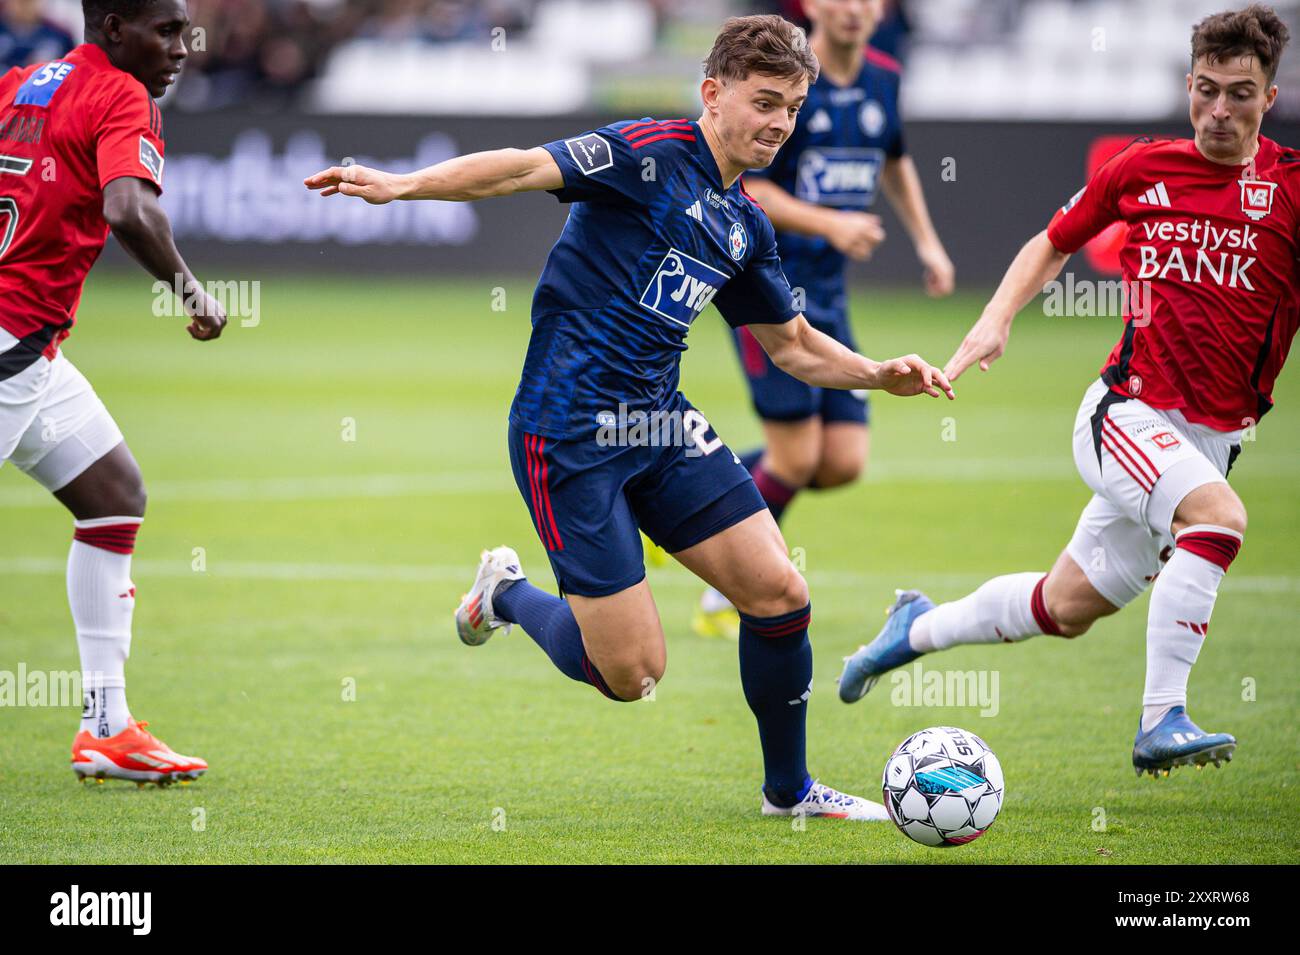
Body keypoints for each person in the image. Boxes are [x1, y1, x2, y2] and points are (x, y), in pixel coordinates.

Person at [306, 14, 953, 819]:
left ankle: (788, 793)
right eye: (764, 102)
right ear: (713, 94)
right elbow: (517, 170)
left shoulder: (746, 223)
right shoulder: (647, 153)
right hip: (568, 431)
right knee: (633, 675)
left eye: (790, 107)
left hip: (658, 423)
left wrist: (876, 374)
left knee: (780, 591)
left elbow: (791, 344)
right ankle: (506, 593)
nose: (779, 123)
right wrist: (403, 184)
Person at [839, 4, 1296, 779]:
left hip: (1212, 440)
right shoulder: (1144, 168)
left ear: (1269, 99)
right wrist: (996, 319)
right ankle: (1163, 719)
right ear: (1188, 86)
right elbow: (1053, 241)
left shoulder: (1289, 191)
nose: (1221, 110)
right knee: (1217, 519)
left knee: (1065, 607)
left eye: (1241, 94)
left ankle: (915, 627)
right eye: (1208, 90)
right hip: (1126, 413)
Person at [1, 0, 227, 786]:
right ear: (112, 31)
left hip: (30, 349)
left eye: (183, 30)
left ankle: (106, 724)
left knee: (113, 495)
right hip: (11, 344)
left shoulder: (26, 84)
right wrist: (195, 294)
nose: (181, 47)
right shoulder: (120, 95)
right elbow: (130, 207)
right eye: (164, 31)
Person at [696, 0, 954, 639]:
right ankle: (724, 587)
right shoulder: (785, 83)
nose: (855, 9)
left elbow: (895, 160)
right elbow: (749, 186)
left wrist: (926, 240)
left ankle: (694, 498)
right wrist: (830, 222)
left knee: (840, 461)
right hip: (767, 287)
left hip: (829, 295)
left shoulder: (884, 78)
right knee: (795, 456)